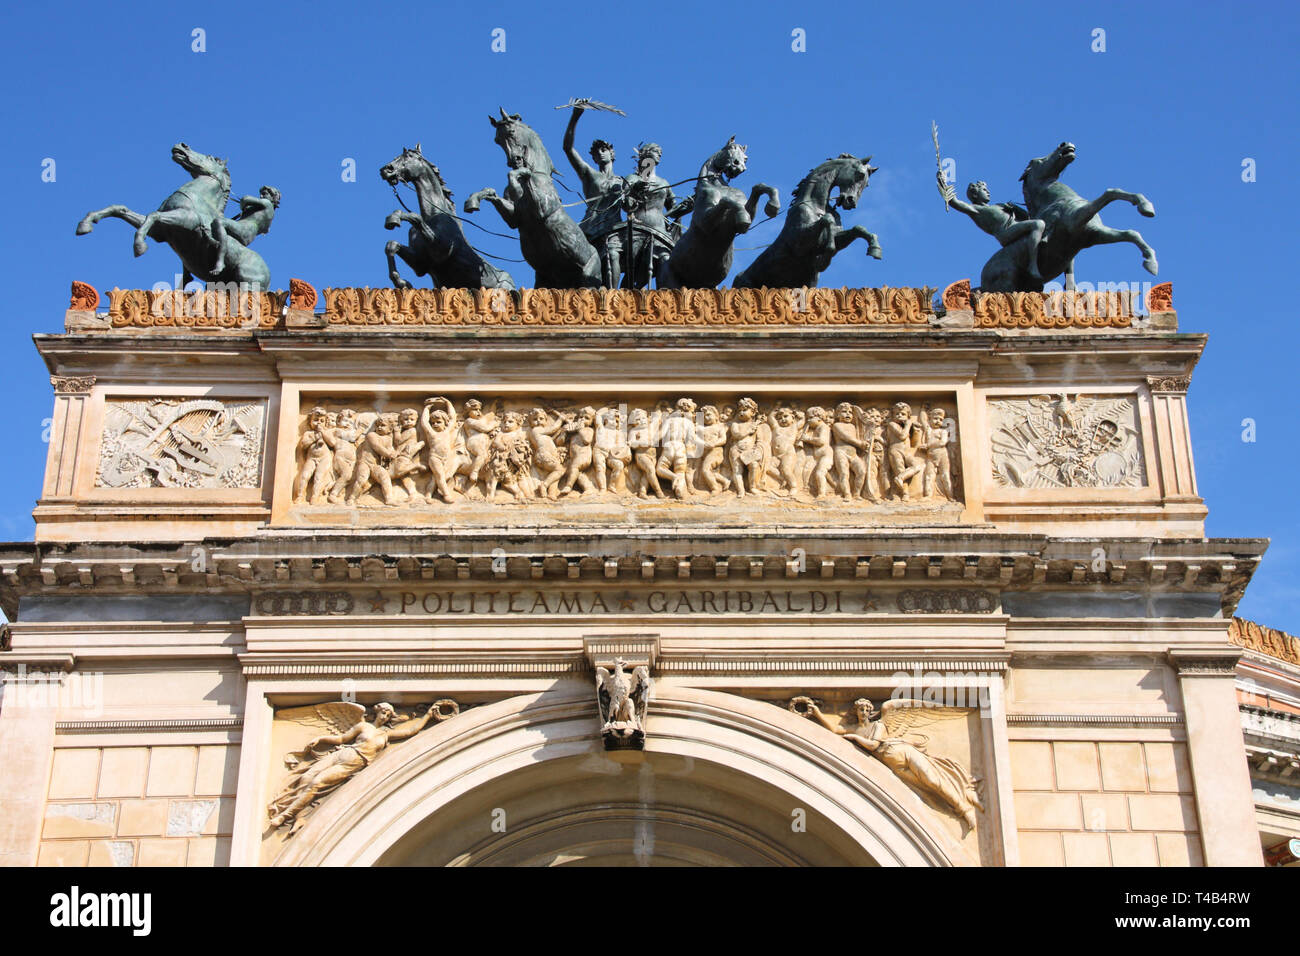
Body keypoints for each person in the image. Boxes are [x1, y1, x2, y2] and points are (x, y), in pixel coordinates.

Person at [563, 102, 626, 288]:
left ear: (612, 153)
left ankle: (613, 297)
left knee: (614, 255)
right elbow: (567, 148)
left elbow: (632, 206)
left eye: (603, 149)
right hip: (590, 228)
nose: (600, 153)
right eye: (596, 152)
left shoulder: (623, 181)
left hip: (613, 228)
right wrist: (575, 117)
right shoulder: (589, 174)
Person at [937, 174, 1044, 284]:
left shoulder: (998, 205)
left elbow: (1026, 216)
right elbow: (956, 202)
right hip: (1006, 232)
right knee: (1038, 224)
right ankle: (1033, 266)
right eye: (984, 189)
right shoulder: (976, 209)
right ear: (975, 195)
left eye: (987, 189)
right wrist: (943, 182)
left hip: (1016, 226)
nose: (988, 192)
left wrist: (1015, 210)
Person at [211, 185, 281, 275]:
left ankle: (220, 262)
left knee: (219, 221)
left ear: (272, 197)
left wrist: (246, 206)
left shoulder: (267, 204)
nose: (261, 197)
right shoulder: (269, 214)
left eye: (264, 194)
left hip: (244, 229)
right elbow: (265, 230)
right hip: (248, 236)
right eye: (261, 194)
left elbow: (245, 199)